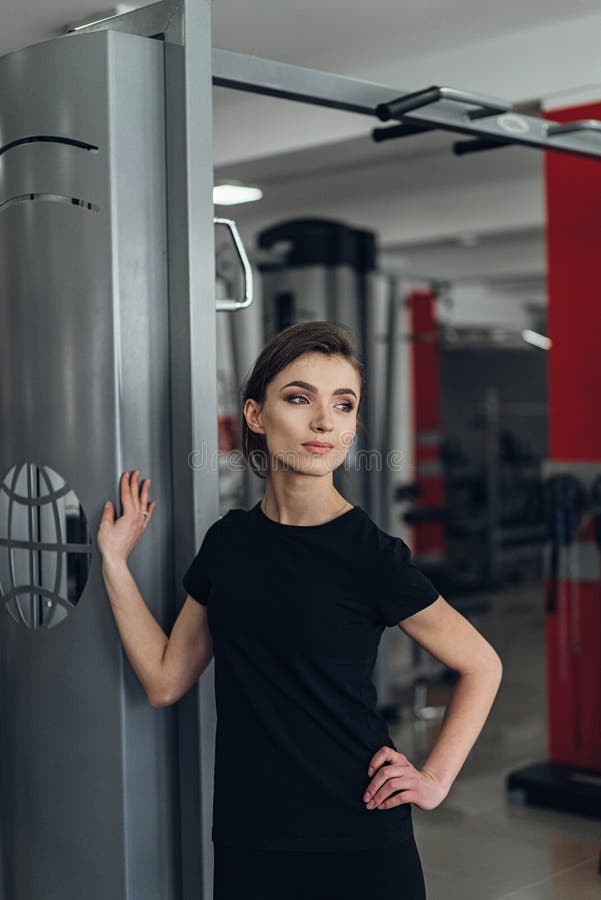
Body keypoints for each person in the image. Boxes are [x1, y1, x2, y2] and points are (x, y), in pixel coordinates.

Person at [97, 320, 503, 900]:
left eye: (344, 404)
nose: (324, 422)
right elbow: (165, 680)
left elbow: (482, 664)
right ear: (256, 416)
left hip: (358, 833)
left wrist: (434, 779)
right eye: (299, 398)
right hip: (249, 834)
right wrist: (115, 564)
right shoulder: (228, 543)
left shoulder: (370, 554)